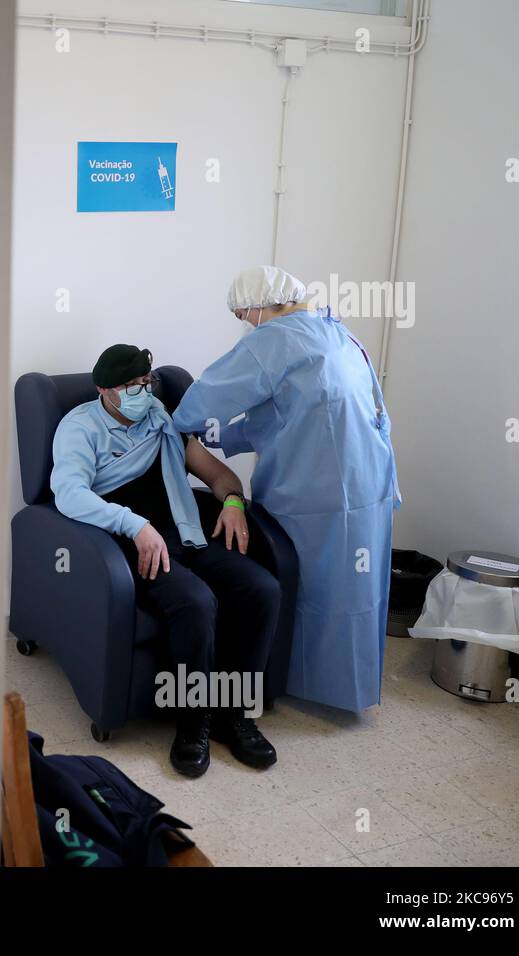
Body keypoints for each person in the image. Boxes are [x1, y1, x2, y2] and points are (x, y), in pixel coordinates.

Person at [172, 266, 400, 713]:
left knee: (314, 586)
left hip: (317, 492)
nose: (245, 324)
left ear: (260, 304)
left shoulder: (274, 341)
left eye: (243, 314)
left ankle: (307, 679)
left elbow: (207, 398)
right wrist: (220, 438)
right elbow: (283, 415)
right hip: (369, 477)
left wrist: (177, 425)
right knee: (357, 587)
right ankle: (348, 686)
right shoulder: (335, 332)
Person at [52, 344, 281, 777]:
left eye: (146, 382)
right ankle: (193, 724)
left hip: (184, 533)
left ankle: (234, 715)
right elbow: (69, 493)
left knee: (261, 589)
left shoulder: (162, 418)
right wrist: (135, 525)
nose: (142, 391)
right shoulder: (80, 428)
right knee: (195, 603)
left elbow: (218, 475)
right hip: (128, 545)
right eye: (129, 386)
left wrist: (232, 502)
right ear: (103, 390)